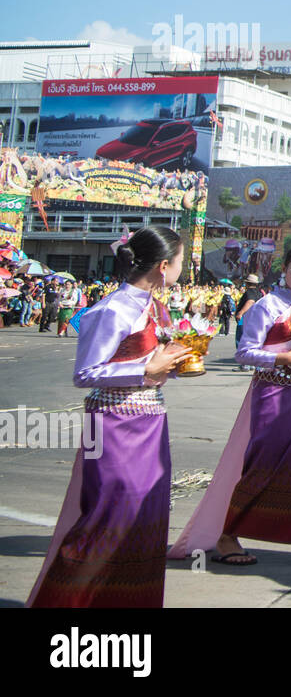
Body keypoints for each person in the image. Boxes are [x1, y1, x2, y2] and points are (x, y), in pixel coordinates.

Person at [28, 226, 192, 607]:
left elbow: (145, 360)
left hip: (150, 421)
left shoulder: (154, 306)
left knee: (145, 517)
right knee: (107, 519)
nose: (183, 269)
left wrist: (170, 364)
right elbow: (85, 373)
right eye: (181, 262)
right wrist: (146, 370)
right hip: (113, 427)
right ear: (164, 265)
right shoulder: (112, 309)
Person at [170, 245, 291, 567]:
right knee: (260, 465)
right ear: (284, 269)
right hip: (272, 393)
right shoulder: (267, 306)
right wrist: (285, 357)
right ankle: (227, 534)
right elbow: (244, 353)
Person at [234, 274, 264, 369]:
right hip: (255, 319)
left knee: (241, 340)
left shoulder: (249, 292)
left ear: (247, 283)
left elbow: (250, 301)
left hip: (246, 319)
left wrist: (241, 312)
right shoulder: (258, 292)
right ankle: (250, 363)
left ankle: (245, 364)